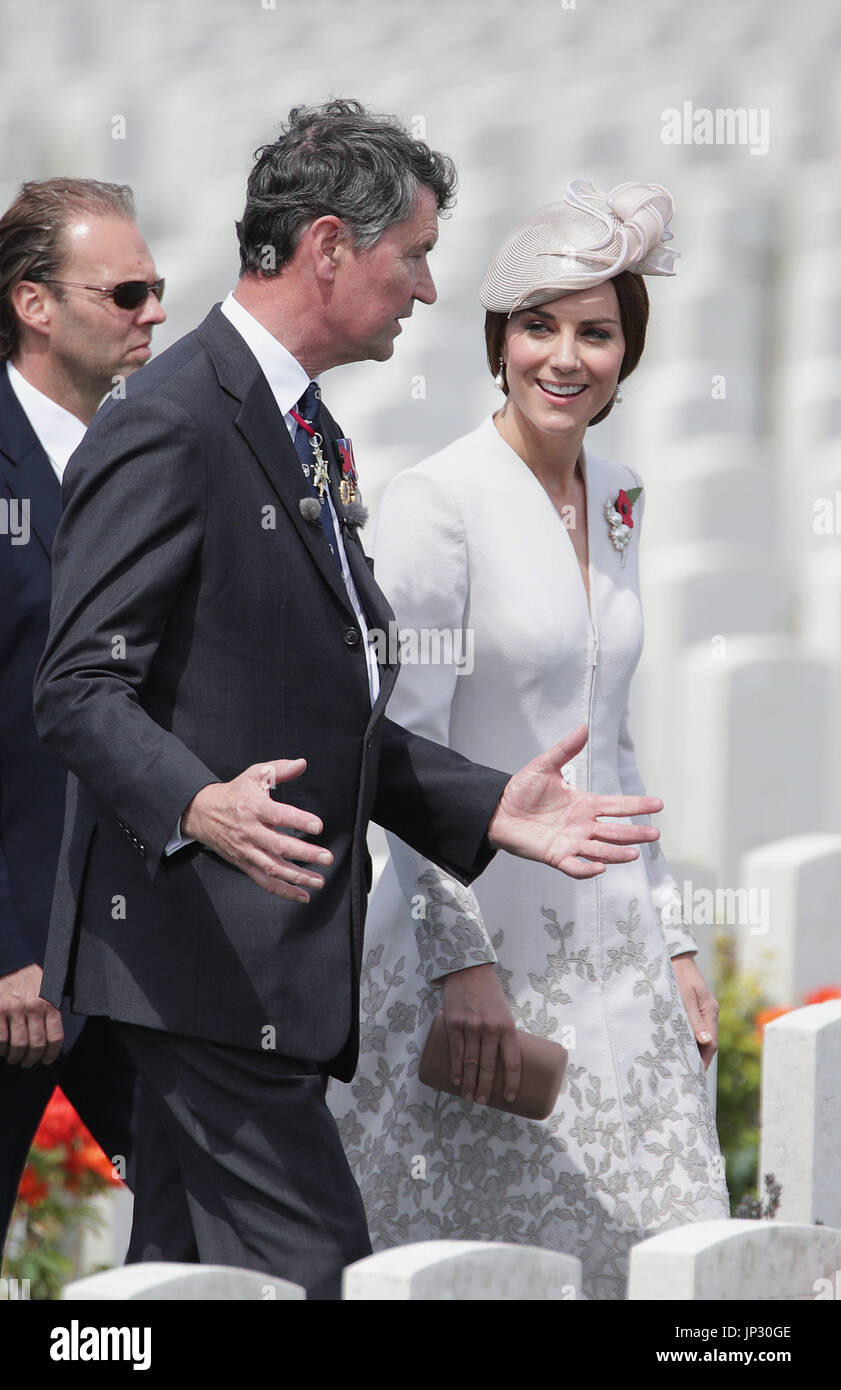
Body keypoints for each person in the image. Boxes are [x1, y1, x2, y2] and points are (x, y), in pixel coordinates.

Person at [32, 107, 665, 1301]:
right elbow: (77, 686)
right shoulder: (173, 420)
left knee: (164, 1298)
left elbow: (334, 709)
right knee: (320, 1279)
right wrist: (200, 802)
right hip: (203, 963)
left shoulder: (298, 424)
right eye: (412, 255)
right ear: (328, 245)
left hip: (251, 972)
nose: (429, 289)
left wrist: (488, 811)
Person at [327, 180, 731, 1299]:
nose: (566, 357)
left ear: (627, 351)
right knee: (479, 1264)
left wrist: (679, 932)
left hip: (615, 954)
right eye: (538, 328)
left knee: (660, 1253)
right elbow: (394, 756)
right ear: (498, 341)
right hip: (475, 955)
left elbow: (617, 738)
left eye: (595, 331)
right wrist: (461, 966)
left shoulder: (621, 492)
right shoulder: (436, 503)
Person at [0, 177, 166, 1252]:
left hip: (144, 958)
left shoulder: (154, 457)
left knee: (213, 1243)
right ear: (34, 304)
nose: (155, 312)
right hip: (16, 960)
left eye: (159, 289)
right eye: (127, 291)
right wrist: (9, 947)